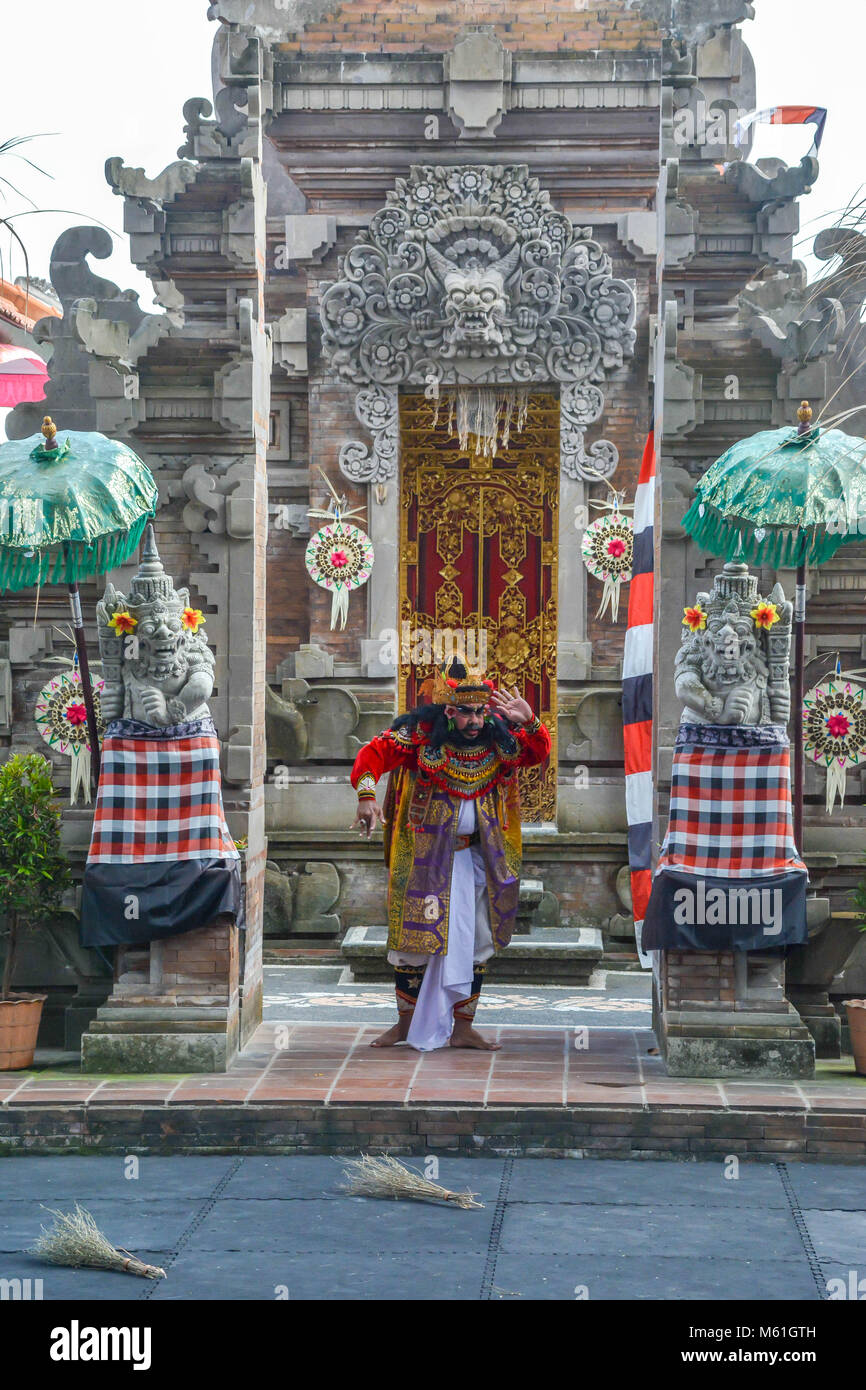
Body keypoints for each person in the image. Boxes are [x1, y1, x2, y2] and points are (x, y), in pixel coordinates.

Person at [349, 657, 551, 1051]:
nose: (474, 721)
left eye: (480, 712)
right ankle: (405, 1026)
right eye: (466, 713)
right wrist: (366, 796)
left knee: (477, 940)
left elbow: (537, 753)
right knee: (411, 942)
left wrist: (530, 721)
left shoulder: (500, 740)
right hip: (423, 860)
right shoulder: (420, 737)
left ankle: (463, 1028)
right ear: (448, 711)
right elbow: (373, 754)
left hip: (479, 861)